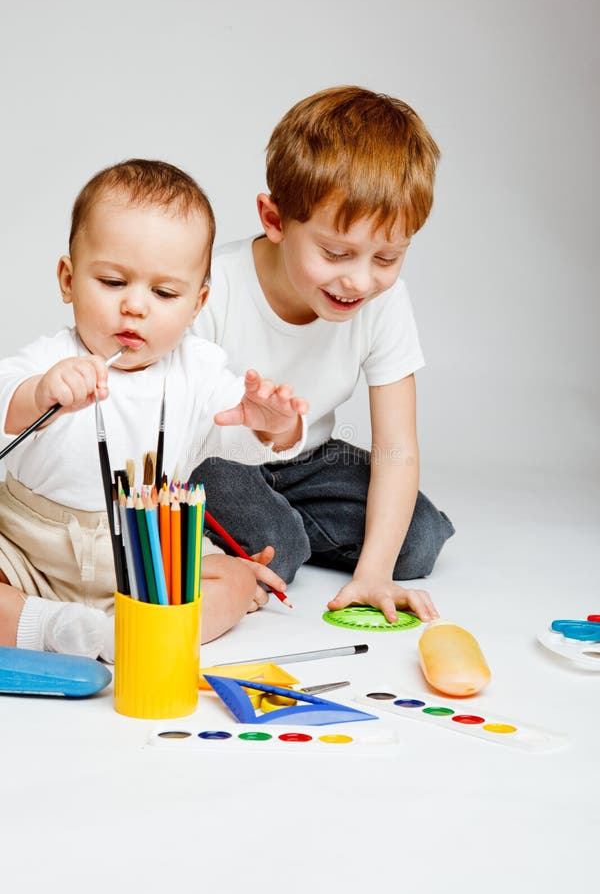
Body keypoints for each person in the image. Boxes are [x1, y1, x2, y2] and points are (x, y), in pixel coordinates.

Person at [0, 159, 308, 661]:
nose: (136, 307)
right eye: (113, 282)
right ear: (67, 279)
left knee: (232, 575)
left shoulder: (201, 370)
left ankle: (137, 631)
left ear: (197, 302)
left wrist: (274, 425)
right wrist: (40, 393)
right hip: (29, 546)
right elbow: (5, 401)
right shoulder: (52, 357)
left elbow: (246, 442)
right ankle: (56, 628)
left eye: (164, 292)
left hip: (148, 551)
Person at [191, 86, 454, 624]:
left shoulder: (384, 300)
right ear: (275, 219)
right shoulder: (214, 286)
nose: (359, 280)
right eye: (335, 253)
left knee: (418, 541)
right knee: (277, 549)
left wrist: (374, 572)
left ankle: (276, 530)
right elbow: (167, 428)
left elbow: (397, 446)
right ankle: (269, 535)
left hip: (309, 459)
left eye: (387, 257)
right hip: (212, 459)